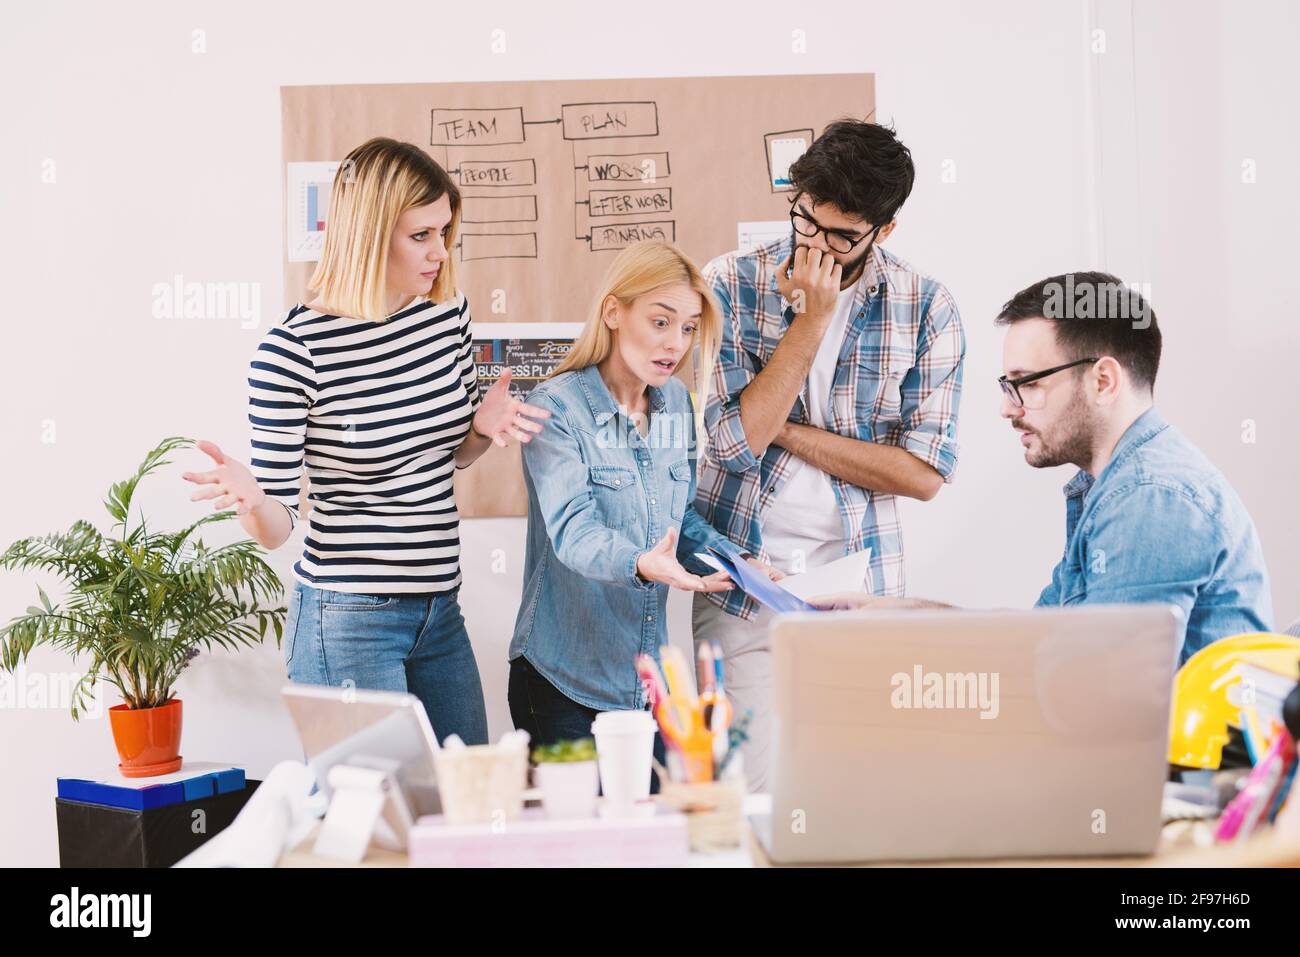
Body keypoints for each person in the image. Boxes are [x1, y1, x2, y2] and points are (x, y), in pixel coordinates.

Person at [182, 137, 550, 744]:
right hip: (347, 620)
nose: (439, 252)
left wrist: (481, 428)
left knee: (467, 804)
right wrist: (252, 499)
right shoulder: (292, 352)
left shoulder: (444, 313)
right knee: (376, 819)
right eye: (421, 235)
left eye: (444, 231)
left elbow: (450, 458)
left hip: (439, 611)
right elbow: (277, 528)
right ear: (369, 232)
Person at [694, 120, 966, 790]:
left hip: (862, 587)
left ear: (884, 230)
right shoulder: (728, 284)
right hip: (741, 587)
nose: (816, 247)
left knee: (861, 792)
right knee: (750, 798)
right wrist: (811, 320)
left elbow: (923, 475)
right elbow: (730, 443)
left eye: (842, 237)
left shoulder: (925, 307)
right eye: (806, 222)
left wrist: (780, 424)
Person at [814, 272, 1274, 665]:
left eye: (1026, 384)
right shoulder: (1113, 486)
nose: (1006, 409)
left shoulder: (1151, 497)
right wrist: (892, 615)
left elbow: (1101, 696)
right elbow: (1041, 638)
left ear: (1103, 380)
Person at [508, 240, 779, 781]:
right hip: (563, 680)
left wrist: (735, 562)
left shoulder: (676, 402)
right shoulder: (555, 408)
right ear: (614, 312)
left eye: (687, 328)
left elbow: (681, 522)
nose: (674, 343)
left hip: (646, 683)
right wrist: (640, 563)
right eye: (660, 322)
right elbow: (574, 532)